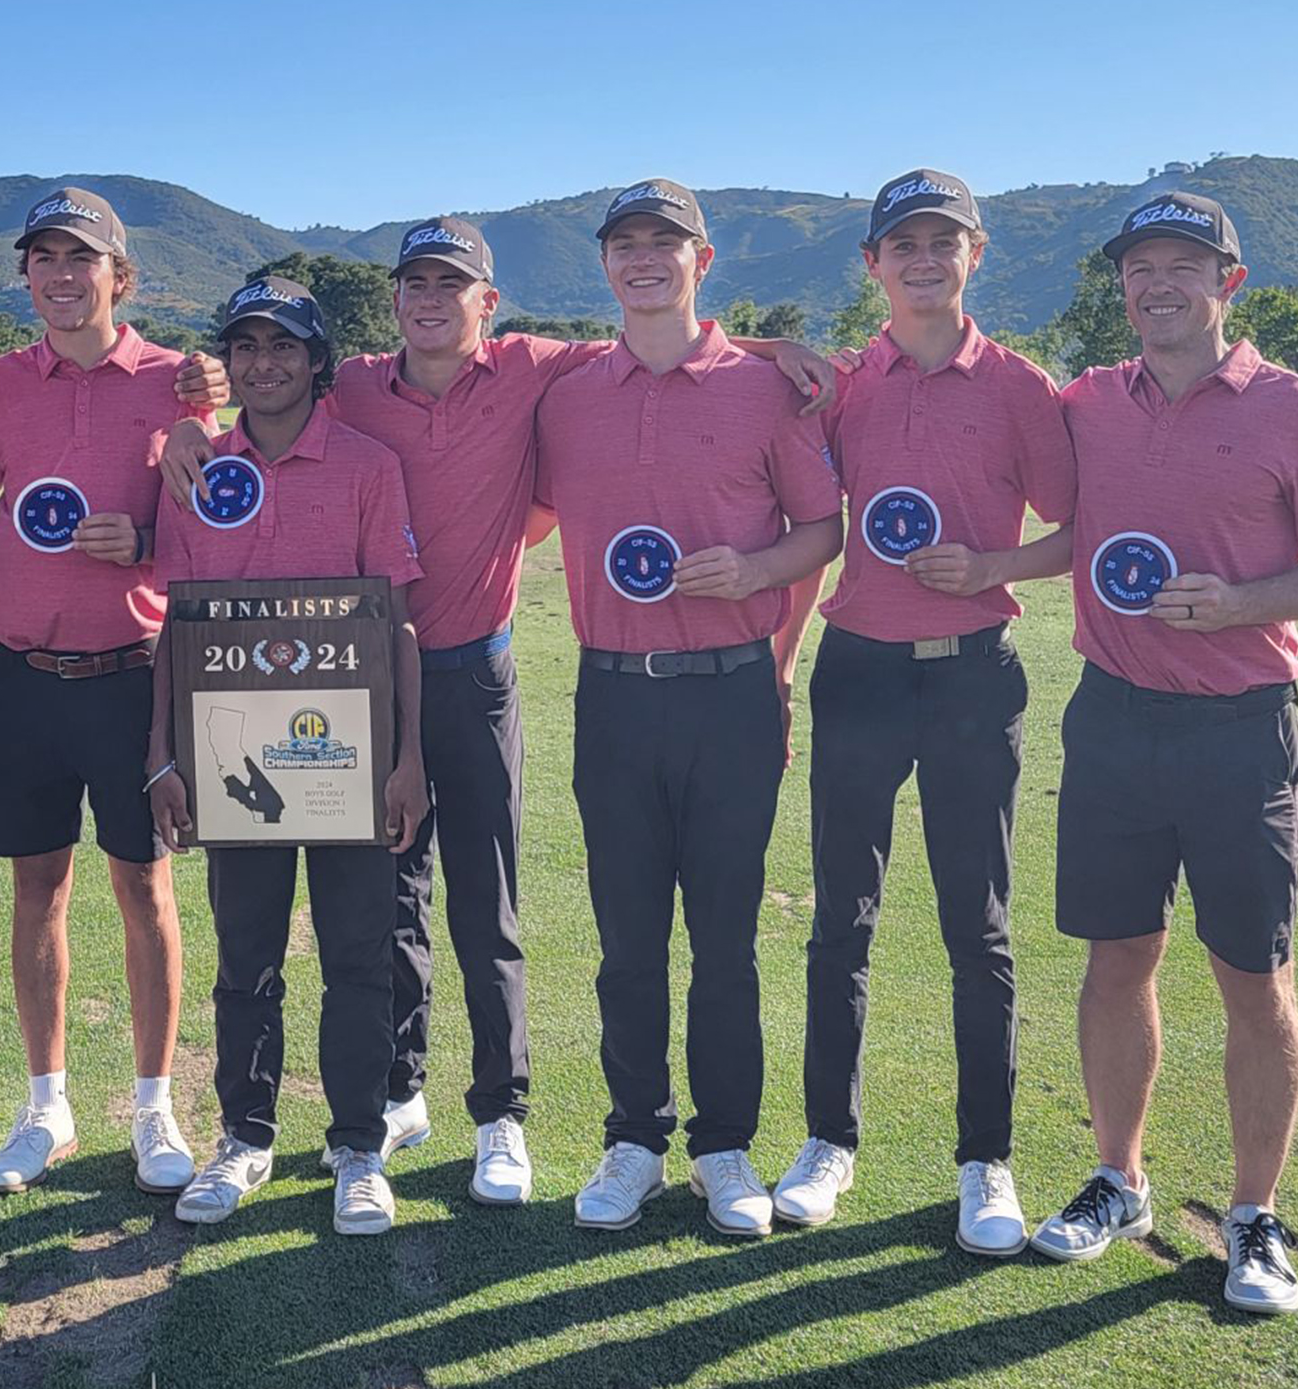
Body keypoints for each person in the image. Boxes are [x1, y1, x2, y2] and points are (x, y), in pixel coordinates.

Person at [157, 217, 832, 1206]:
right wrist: (180, 421)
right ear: (393, 302)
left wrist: (770, 346)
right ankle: (396, 1093)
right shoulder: (343, 385)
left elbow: (661, 335)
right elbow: (234, 389)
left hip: (470, 671)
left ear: (488, 301)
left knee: (487, 903)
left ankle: (500, 1115)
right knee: (384, 908)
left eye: (451, 284)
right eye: (413, 284)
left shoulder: (533, 369)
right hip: (345, 684)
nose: (429, 301)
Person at [1027, 194, 1298, 1316]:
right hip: (1111, 716)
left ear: (1226, 284)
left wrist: (1238, 602)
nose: (1158, 285)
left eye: (1184, 266)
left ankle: (1250, 1217)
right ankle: (1115, 1179)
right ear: (1120, 287)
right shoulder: (1085, 401)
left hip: (1239, 727)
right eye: (1140, 268)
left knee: (1251, 976)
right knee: (1114, 958)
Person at [769, 170, 1077, 1256]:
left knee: (974, 928)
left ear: (972, 256)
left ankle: (983, 1161)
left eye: (942, 242)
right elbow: (741, 383)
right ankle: (825, 1143)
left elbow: (1075, 530)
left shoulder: (1021, 387)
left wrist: (989, 564)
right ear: (872, 266)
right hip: (857, 669)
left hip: (969, 675)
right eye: (900, 244)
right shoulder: (844, 382)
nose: (921, 260)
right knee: (837, 922)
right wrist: (770, 351)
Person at [532, 179, 842, 1235]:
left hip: (730, 696)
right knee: (625, 939)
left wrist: (751, 570)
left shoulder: (764, 393)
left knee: (722, 937)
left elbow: (820, 529)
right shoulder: (566, 388)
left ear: (699, 260)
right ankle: (632, 1139)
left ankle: (723, 1148)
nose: (642, 259)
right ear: (605, 267)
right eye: (623, 244)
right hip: (611, 695)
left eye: (663, 243)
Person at [145, 276, 428, 1234]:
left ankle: (356, 1145)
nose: (264, 364)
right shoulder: (197, 469)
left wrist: (409, 760)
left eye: (284, 347)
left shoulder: (365, 462)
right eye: (246, 347)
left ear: (317, 361)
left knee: (358, 957)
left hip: (348, 761)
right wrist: (162, 756)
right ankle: (245, 1136)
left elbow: (395, 626)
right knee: (246, 960)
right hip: (232, 762)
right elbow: (173, 633)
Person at [0, 187, 226, 1194]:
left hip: (132, 678)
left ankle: (154, 1112)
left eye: (83, 259)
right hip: (21, 680)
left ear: (119, 277)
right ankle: (46, 1110)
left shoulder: (178, 384)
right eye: (44, 259)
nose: (62, 276)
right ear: (25, 275)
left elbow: (222, 526)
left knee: (143, 889)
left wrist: (152, 541)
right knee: (37, 893)